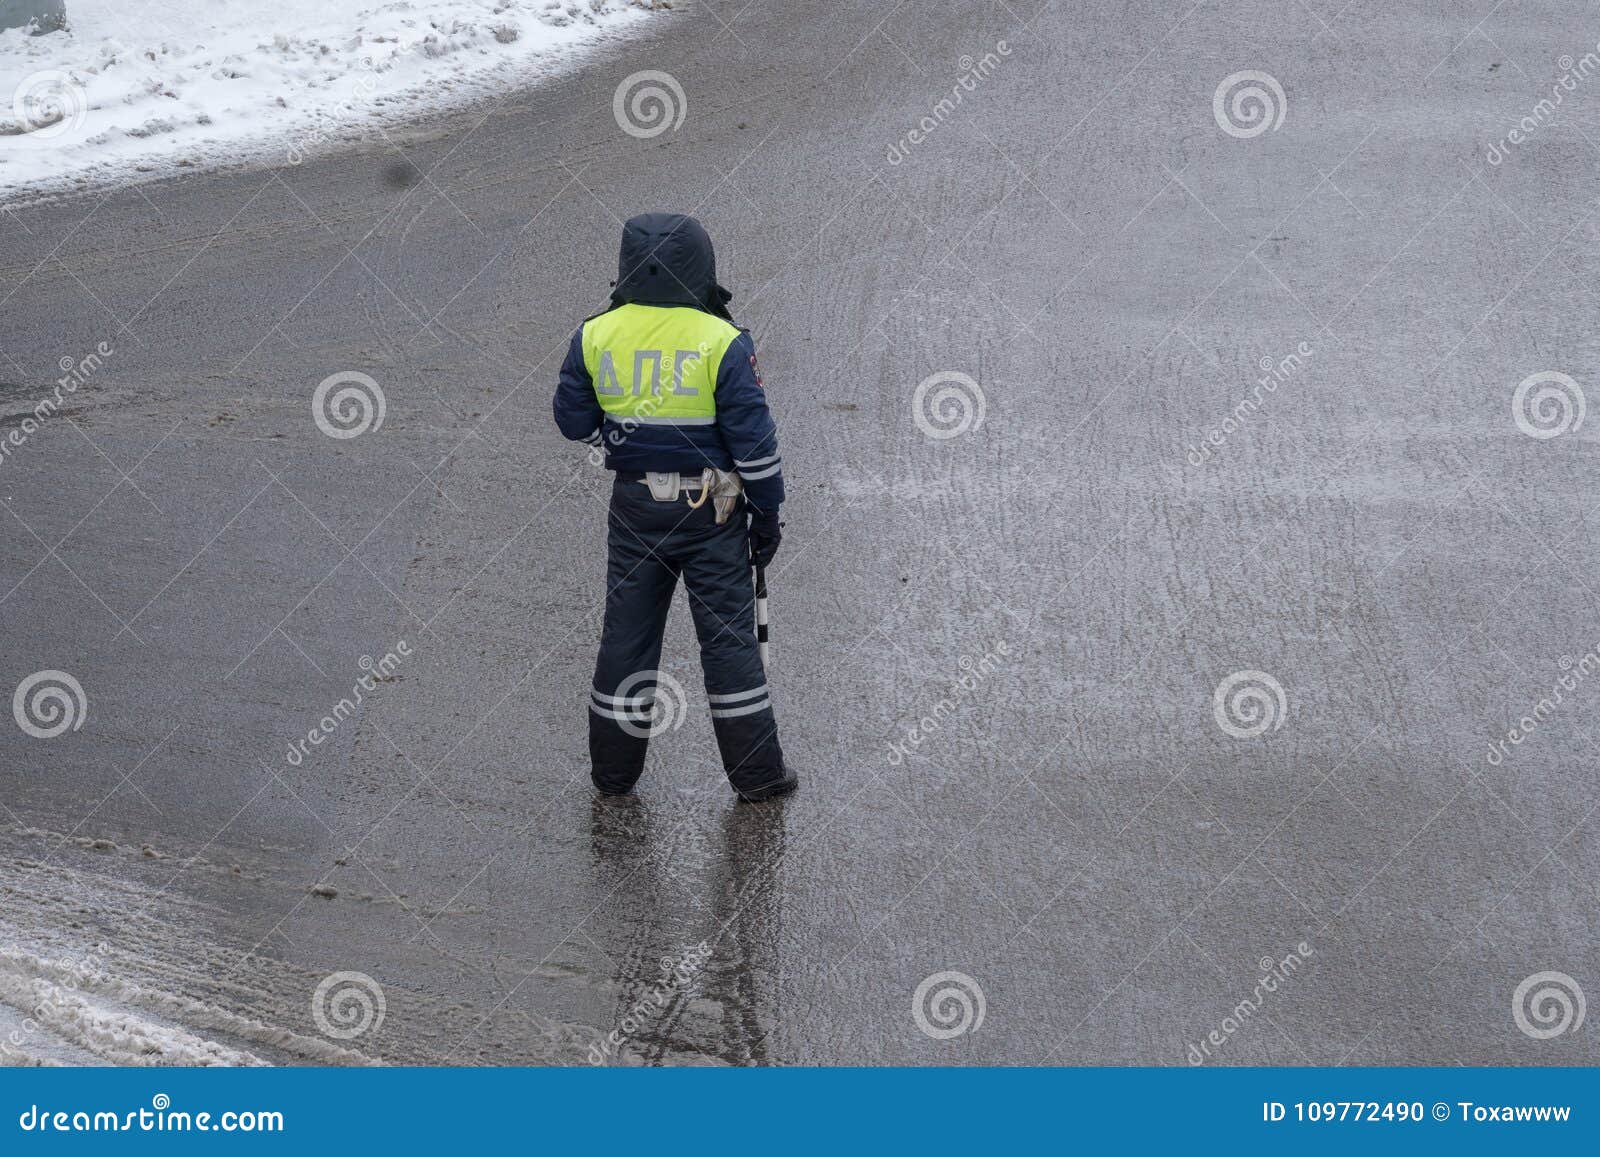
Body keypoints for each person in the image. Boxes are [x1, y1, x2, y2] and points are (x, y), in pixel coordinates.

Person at [553, 212, 795, 802]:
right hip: (713, 511)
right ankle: (758, 779)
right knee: (728, 645)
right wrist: (766, 516)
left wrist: (627, 446)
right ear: (701, 264)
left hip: (634, 509)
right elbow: (754, 447)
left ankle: (613, 777)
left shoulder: (594, 334)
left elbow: (572, 421)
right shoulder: (722, 340)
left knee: (627, 640)